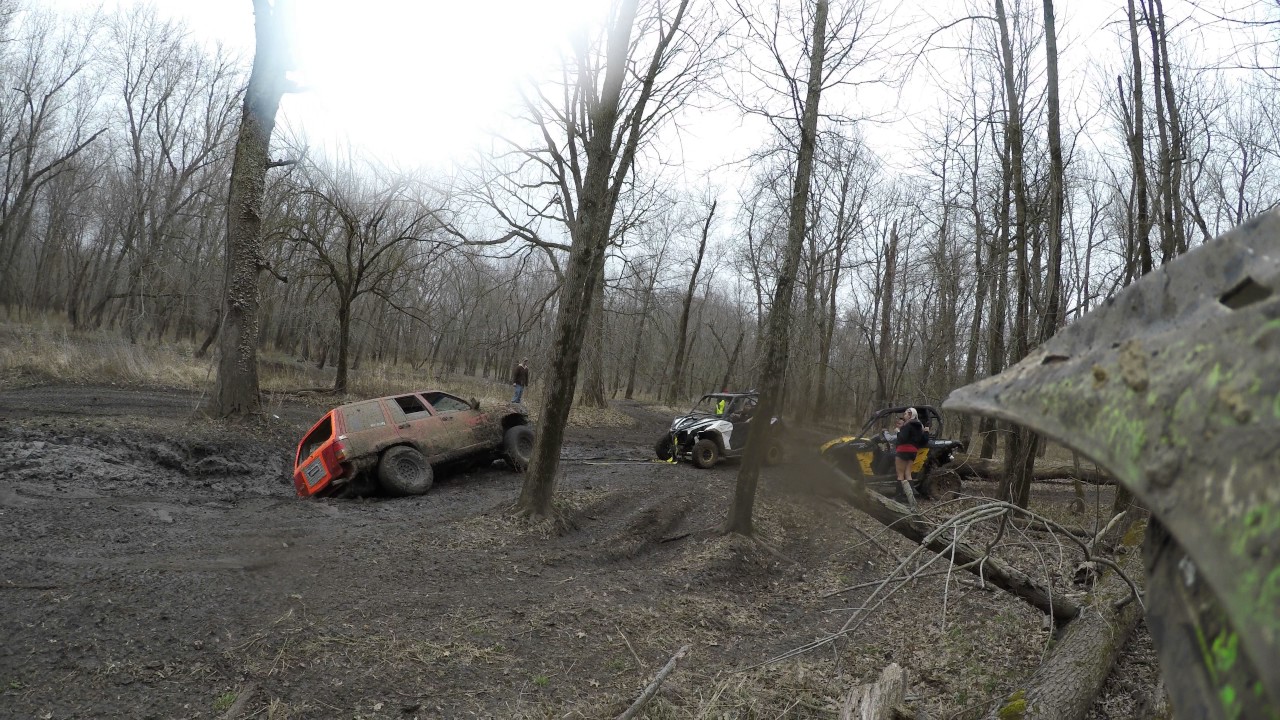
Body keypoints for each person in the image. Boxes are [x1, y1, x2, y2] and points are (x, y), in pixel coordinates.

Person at [894, 407, 928, 510]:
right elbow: (923, 441)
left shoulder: (907, 425)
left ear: (910, 415)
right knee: (908, 473)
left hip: (903, 450)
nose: (904, 416)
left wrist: (898, 431)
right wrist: (926, 432)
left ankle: (898, 497)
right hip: (913, 451)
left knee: (900, 474)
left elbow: (901, 439)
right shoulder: (919, 427)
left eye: (905, 414)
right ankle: (911, 498)